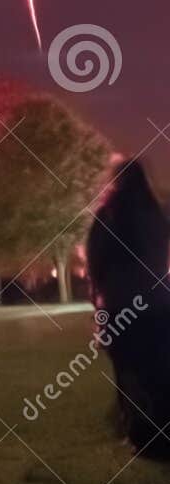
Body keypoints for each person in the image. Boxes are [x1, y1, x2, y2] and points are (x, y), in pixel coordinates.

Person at [87, 157, 170, 458]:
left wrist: (99, 307)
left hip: (122, 307)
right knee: (158, 372)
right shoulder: (157, 216)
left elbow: (96, 268)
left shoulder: (106, 219)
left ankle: (141, 435)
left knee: (130, 374)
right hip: (159, 306)